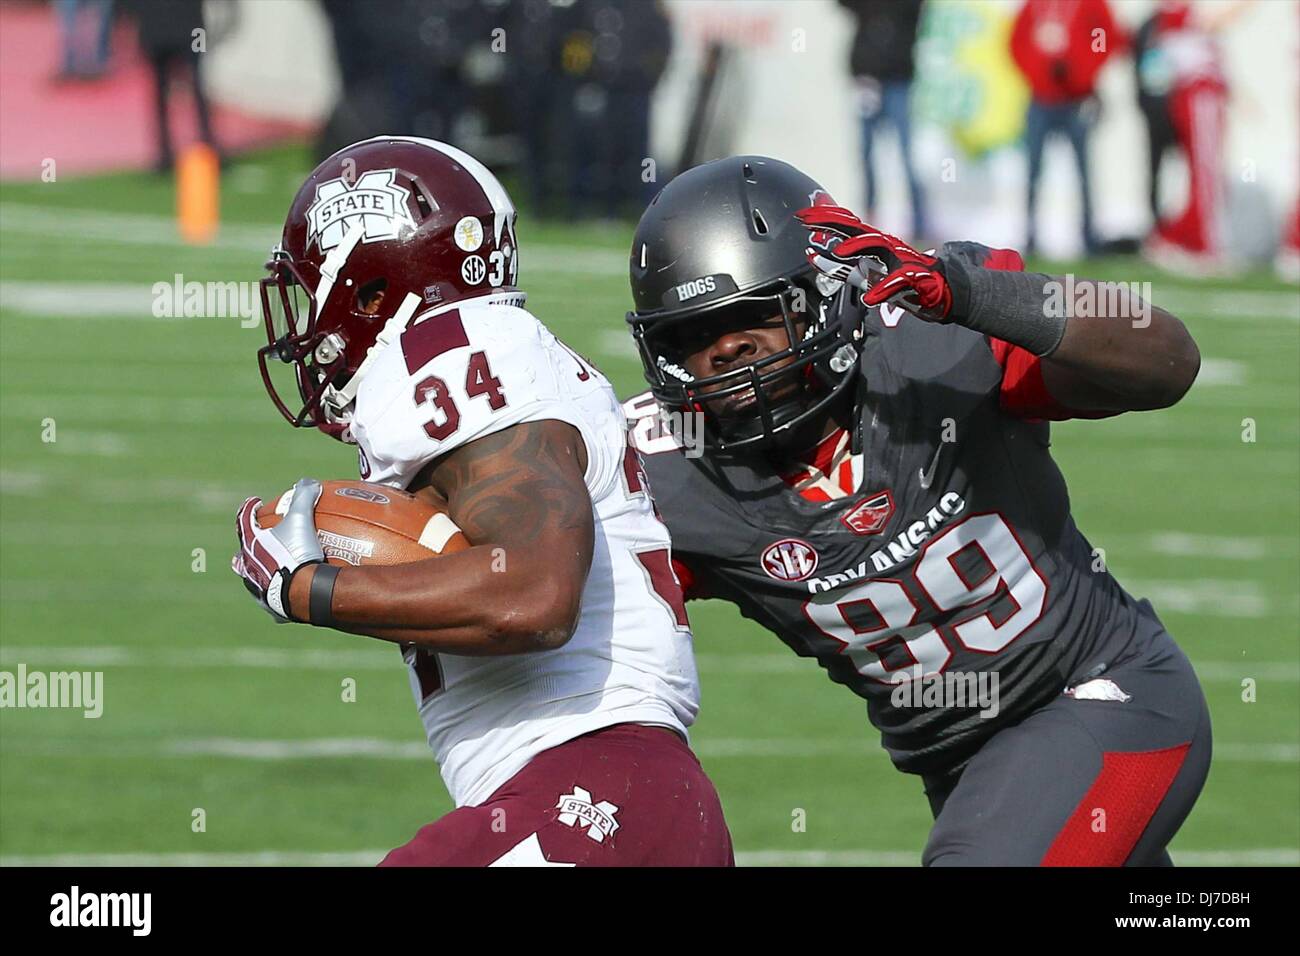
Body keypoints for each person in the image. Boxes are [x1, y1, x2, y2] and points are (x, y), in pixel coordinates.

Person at [623, 155, 1210, 865]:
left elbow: (1169, 363)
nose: (727, 351)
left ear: (822, 294)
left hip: (1104, 695)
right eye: (691, 337)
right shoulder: (667, 474)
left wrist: (975, 296)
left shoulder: (933, 342)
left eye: (753, 314)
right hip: (967, 773)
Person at [232, 136, 732, 867]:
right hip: (623, 797)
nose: (311, 327)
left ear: (373, 291)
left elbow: (532, 594)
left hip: (593, 790)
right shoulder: (496, 352)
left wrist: (310, 587)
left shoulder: (456, 355)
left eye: (317, 294)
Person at [1009, 0, 1123, 255]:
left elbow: (1107, 39)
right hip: (1041, 99)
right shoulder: (1035, 6)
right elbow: (1015, 42)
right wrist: (1036, 72)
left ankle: (1089, 237)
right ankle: (1030, 235)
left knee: (1084, 172)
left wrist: (1082, 74)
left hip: (1076, 100)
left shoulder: (1092, 5)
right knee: (1034, 171)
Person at [838, 0, 928, 237]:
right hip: (867, 80)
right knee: (866, 155)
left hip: (897, 79)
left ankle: (918, 223)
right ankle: (867, 221)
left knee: (906, 154)